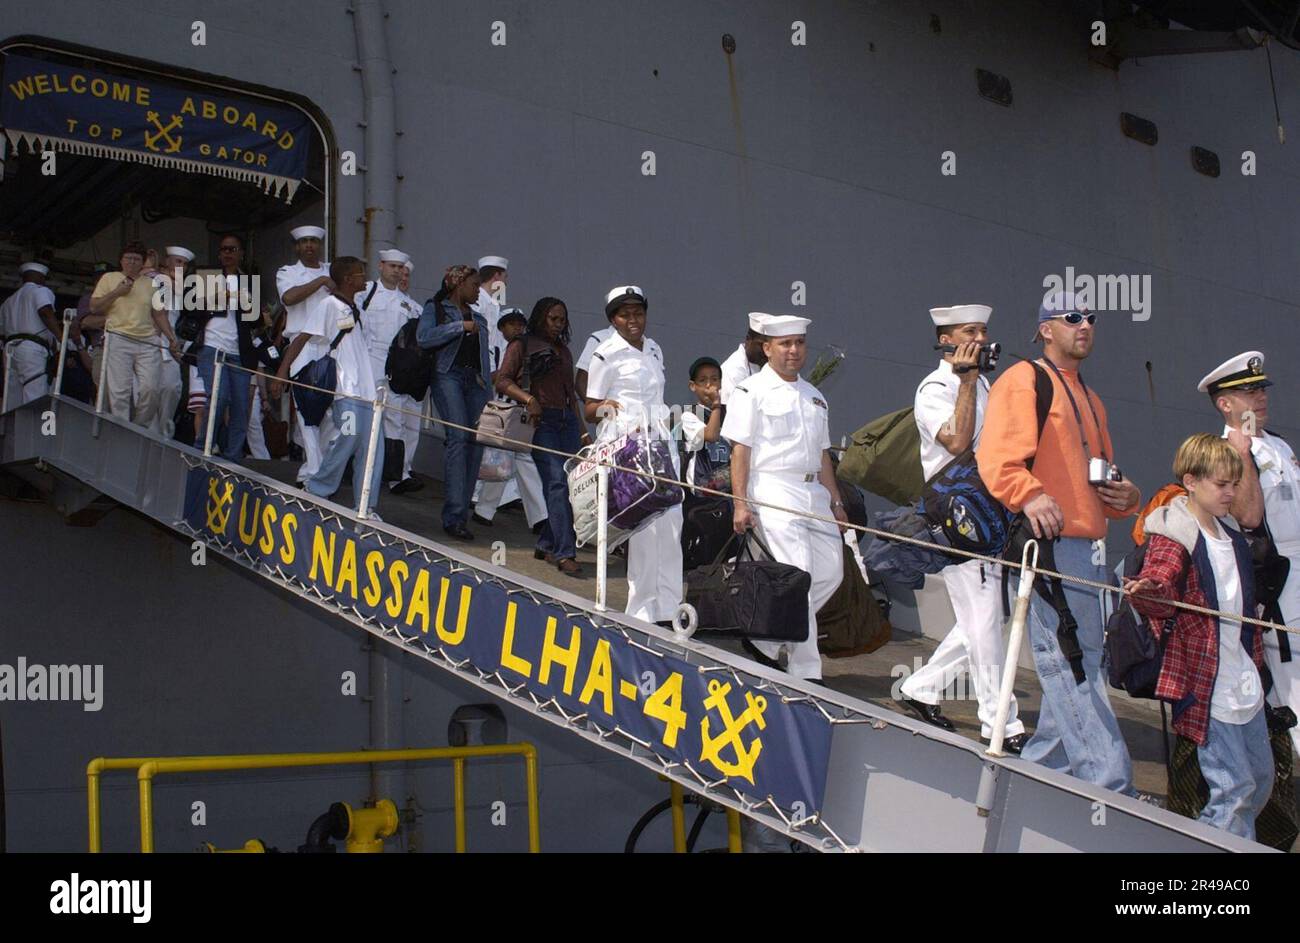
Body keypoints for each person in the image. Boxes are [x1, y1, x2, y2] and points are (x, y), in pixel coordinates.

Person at [977, 291, 1141, 792]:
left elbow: (1103, 474)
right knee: (1071, 665)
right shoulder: (1024, 378)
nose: (1085, 325)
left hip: (1087, 550)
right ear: (1046, 328)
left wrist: (1127, 495)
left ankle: (1035, 779)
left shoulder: (1089, 397)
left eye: (1090, 318)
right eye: (1072, 318)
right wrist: (1028, 495)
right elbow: (998, 456)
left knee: (1077, 666)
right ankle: (1110, 788)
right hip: (1050, 548)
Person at [1125, 434, 1271, 839]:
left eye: (1233, 483)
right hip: (1206, 683)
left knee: (1258, 779)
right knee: (1233, 788)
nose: (1230, 493)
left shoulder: (1232, 539)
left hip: (1243, 681)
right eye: (1221, 484)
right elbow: (1161, 582)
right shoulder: (1175, 533)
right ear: (1191, 481)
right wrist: (1149, 592)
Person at [899, 305, 1027, 751]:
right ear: (946, 340)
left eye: (984, 330)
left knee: (984, 617)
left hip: (989, 512)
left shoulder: (983, 383)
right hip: (957, 517)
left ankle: (921, 688)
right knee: (986, 621)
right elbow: (955, 439)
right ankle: (1000, 722)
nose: (981, 337)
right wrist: (968, 379)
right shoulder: (936, 387)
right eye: (970, 331)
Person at [723, 314, 847, 682]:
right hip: (774, 488)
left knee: (831, 574)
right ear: (767, 348)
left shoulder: (815, 396)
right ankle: (807, 672)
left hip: (814, 494)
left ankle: (766, 641)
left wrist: (837, 504)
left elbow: (823, 455)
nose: (794, 350)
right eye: (785, 343)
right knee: (800, 578)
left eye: (799, 343)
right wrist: (740, 502)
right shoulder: (751, 391)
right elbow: (739, 451)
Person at [1200, 350, 1300, 753]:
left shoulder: (1278, 445)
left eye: (1260, 388)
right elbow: (1249, 516)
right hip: (1278, 586)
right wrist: (1240, 454)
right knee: (1295, 689)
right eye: (1247, 391)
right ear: (1225, 404)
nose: (1259, 397)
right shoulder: (1222, 454)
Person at [586, 285, 684, 623]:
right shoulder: (605, 353)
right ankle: (642, 609)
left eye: (638, 313)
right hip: (627, 449)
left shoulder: (654, 349)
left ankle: (670, 607)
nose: (633, 320)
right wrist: (604, 407)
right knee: (643, 528)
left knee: (672, 524)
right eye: (625, 314)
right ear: (613, 319)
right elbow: (589, 408)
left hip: (660, 445)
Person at [274, 257, 384, 518]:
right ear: (348, 279)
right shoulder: (329, 305)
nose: (364, 279)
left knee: (373, 451)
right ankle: (317, 487)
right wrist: (281, 373)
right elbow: (301, 340)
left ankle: (365, 507)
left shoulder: (358, 310)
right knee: (348, 438)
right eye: (360, 274)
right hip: (346, 392)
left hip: (368, 394)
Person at [496, 297, 591, 576]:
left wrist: (584, 431)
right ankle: (564, 552)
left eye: (562, 320)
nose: (558, 325)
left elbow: (571, 396)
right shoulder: (521, 344)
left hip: (567, 422)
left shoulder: (564, 350)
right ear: (540, 318)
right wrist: (528, 399)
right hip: (541, 422)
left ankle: (547, 542)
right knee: (557, 484)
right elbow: (502, 380)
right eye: (553, 319)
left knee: (573, 486)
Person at [417, 265, 492, 540]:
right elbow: (424, 338)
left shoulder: (481, 319)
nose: (477, 291)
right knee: (458, 438)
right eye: (474, 285)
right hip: (447, 376)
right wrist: (459, 326)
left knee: (475, 442)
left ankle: (461, 517)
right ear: (459, 285)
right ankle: (453, 515)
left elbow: (485, 361)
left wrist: (489, 395)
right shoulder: (435, 308)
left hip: (476, 383)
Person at [85, 242, 179, 428]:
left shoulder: (151, 284)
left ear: (142, 263)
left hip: (147, 340)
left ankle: (139, 427)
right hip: (118, 337)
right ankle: (122, 428)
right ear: (121, 260)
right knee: (120, 391)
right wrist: (117, 292)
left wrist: (171, 337)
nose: (132, 262)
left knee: (151, 389)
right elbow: (94, 307)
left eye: (137, 259)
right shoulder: (109, 278)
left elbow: (159, 314)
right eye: (128, 258)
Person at [475, 307, 549, 529]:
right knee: (503, 460)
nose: (516, 327)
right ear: (501, 327)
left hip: (519, 411)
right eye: (510, 324)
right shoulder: (493, 349)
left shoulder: (526, 348)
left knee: (517, 459)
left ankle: (537, 518)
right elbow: (482, 379)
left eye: (520, 324)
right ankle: (536, 517)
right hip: (499, 410)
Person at [359, 248, 424, 494]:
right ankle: (364, 468)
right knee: (368, 420)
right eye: (393, 267)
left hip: (400, 369)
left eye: (402, 269)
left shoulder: (410, 305)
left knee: (401, 422)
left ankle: (399, 473)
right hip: (370, 362)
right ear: (381, 266)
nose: (398, 272)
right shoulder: (365, 293)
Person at [276, 225, 334, 482]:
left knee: (331, 412)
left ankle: (314, 466)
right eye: (305, 242)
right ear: (297, 247)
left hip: (331, 345)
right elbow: (289, 298)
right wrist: (321, 281)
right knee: (305, 407)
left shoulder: (333, 270)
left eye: (314, 241)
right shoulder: (288, 272)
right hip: (302, 346)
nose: (310, 245)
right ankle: (313, 471)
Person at [2, 262, 59, 407]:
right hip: (32, 348)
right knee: (35, 395)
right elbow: (45, 311)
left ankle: (9, 430)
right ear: (41, 277)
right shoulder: (41, 291)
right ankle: (32, 430)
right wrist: (61, 337)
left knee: (12, 397)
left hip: (9, 350)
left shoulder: (8, 301)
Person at [152, 247, 194, 439]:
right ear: (167, 262)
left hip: (172, 346)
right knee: (149, 390)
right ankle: (150, 431)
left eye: (184, 264)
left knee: (172, 388)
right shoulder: (156, 281)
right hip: (152, 341)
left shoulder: (183, 289)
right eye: (178, 262)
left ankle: (163, 432)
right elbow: (157, 313)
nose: (182, 266)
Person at [679, 356, 731, 495]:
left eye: (714, 379)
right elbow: (711, 436)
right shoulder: (689, 415)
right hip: (702, 490)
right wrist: (716, 406)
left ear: (720, 383)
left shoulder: (731, 412)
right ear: (693, 386)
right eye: (702, 380)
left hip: (728, 488)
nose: (709, 385)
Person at [718, 314, 770, 406]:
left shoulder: (766, 362)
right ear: (748, 340)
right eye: (760, 345)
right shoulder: (734, 369)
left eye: (769, 346)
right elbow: (730, 412)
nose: (765, 350)